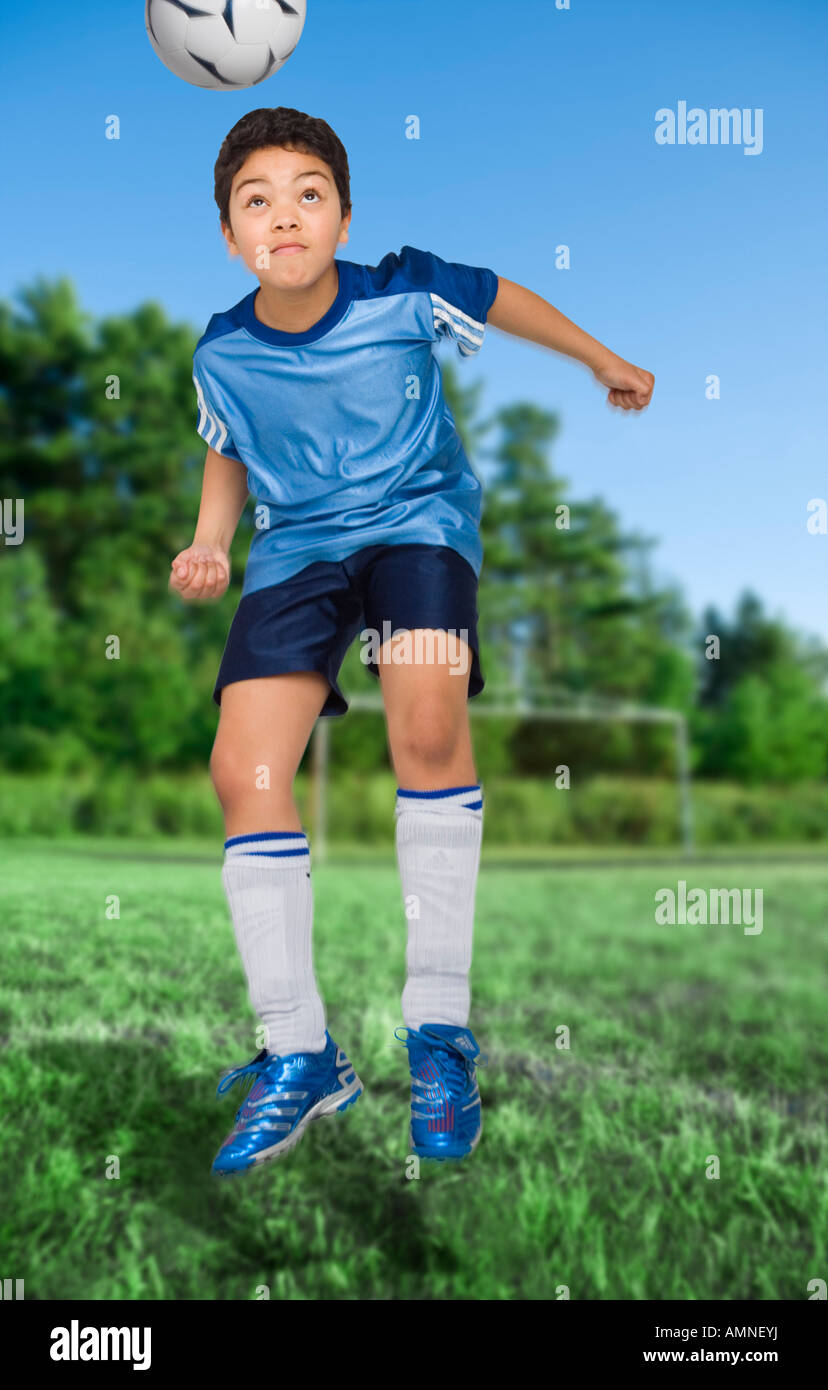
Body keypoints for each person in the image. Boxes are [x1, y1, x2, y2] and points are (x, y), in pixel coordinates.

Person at [169, 106, 654, 1177]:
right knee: (241, 767)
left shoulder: (401, 290)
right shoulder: (223, 349)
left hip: (417, 526)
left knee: (426, 726)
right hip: (297, 553)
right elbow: (227, 447)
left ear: (344, 217)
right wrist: (210, 541)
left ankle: (438, 1033)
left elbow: (503, 297)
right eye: (257, 199)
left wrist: (600, 359)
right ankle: (299, 1053)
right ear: (228, 235)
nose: (284, 214)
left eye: (308, 193)